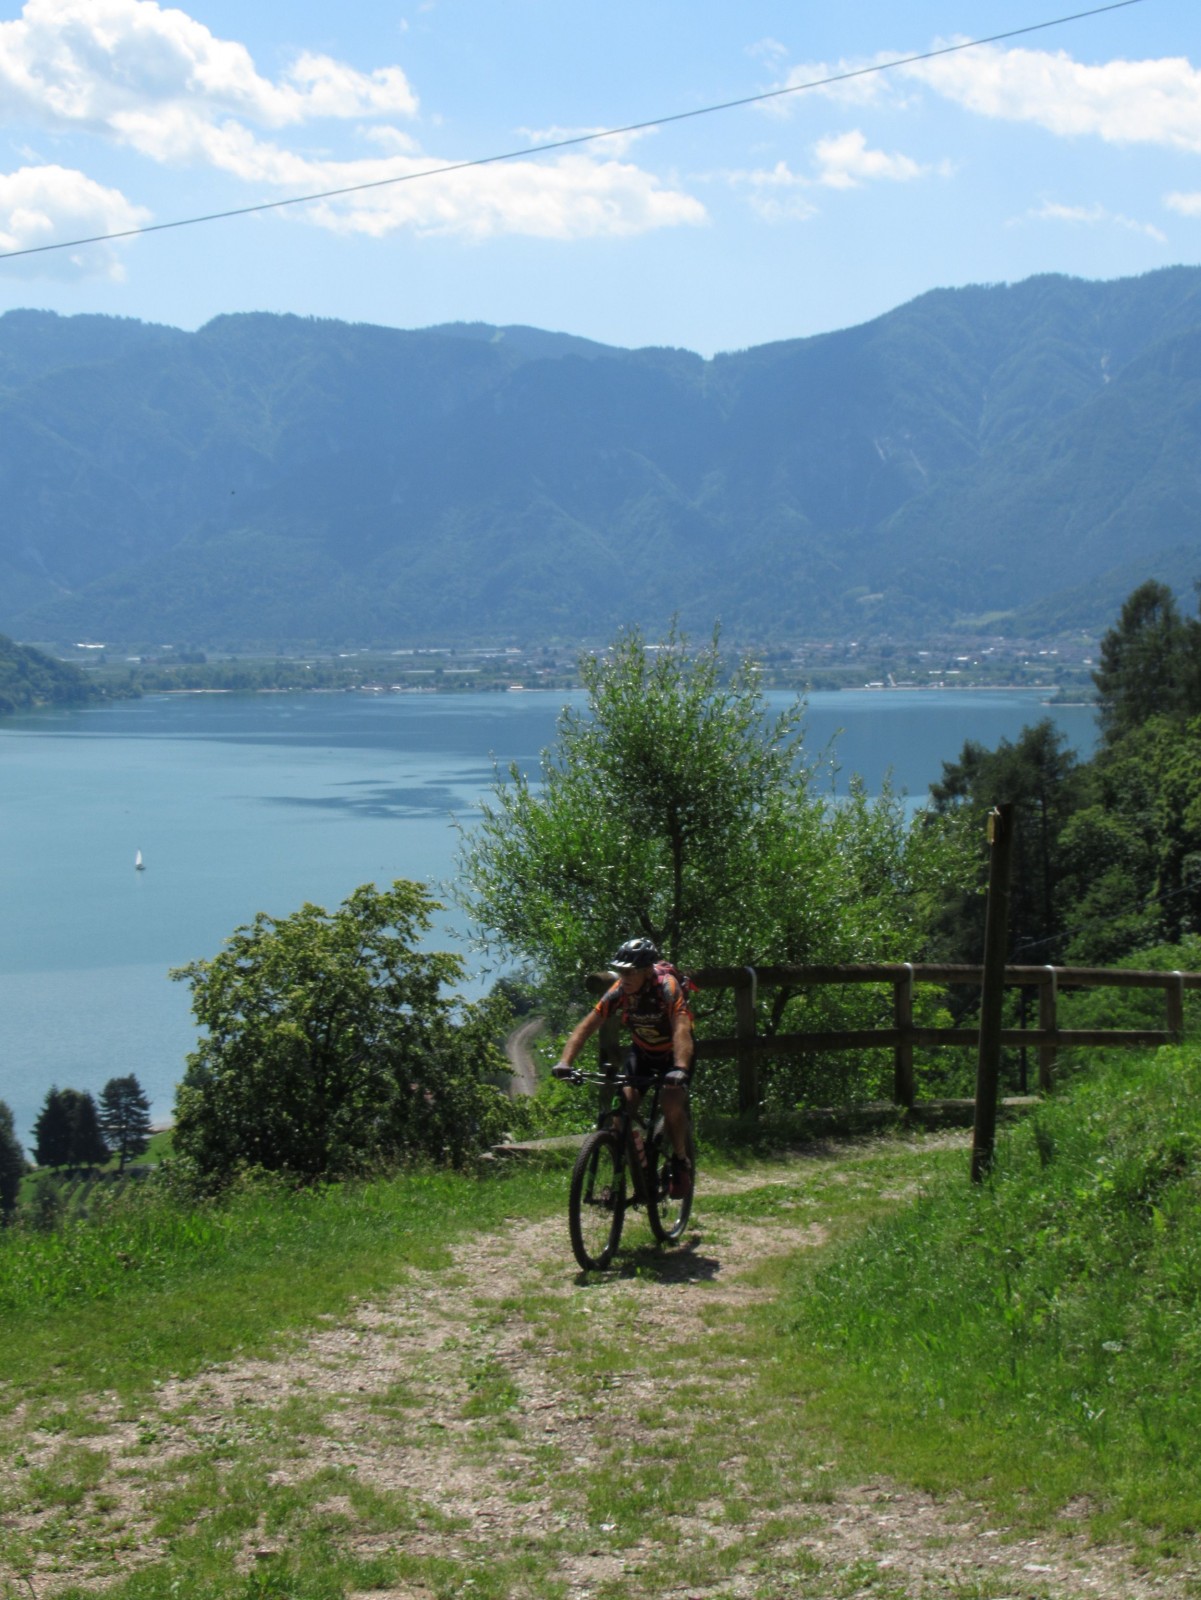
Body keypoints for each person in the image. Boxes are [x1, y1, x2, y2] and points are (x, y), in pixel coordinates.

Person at [553, 937, 694, 1197]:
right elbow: (587, 1025)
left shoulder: (667, 987)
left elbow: (682, 1027)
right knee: (620, 1115)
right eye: (621, 971)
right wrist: (565, 1062)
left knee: (671, 1102)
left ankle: (680, 1160)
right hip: (642, 1053)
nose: (624, 976)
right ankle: (630, 1177)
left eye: (629, 972)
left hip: (673, 1054)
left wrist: (680, 1067)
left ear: (645, 971)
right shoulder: (619, 990)